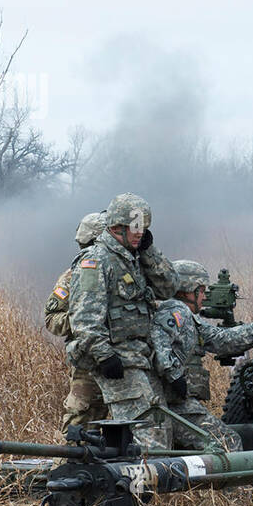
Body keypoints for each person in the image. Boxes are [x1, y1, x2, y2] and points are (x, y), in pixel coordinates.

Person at [66, 193, 178, 450]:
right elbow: (84, 319)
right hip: (118, 361)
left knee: (160, 429)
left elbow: (169, 287)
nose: (140, 233)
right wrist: (105, 356)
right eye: (135, 228)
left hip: (140, 359)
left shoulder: (135, 258)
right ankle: (139, 488)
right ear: (117, 227)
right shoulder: (95, 261)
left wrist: (149, 251)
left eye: (144, 228)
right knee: (149, 439)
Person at [150, 260, 253, 451]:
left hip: (173, 404)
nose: (204, 296)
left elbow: (221, 339)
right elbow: (159, 344)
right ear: (188, 290)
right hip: (171, 404)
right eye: (201, 290)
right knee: (228, 443)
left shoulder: (187, 316)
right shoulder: (175, 311)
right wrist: (174, 376)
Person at [45, 211, 110, 433]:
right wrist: (83, 320)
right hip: (88, 362)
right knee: (80, 426)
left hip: (125, 358)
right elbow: (52, 319)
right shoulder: (73, 276)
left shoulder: (124, 274)